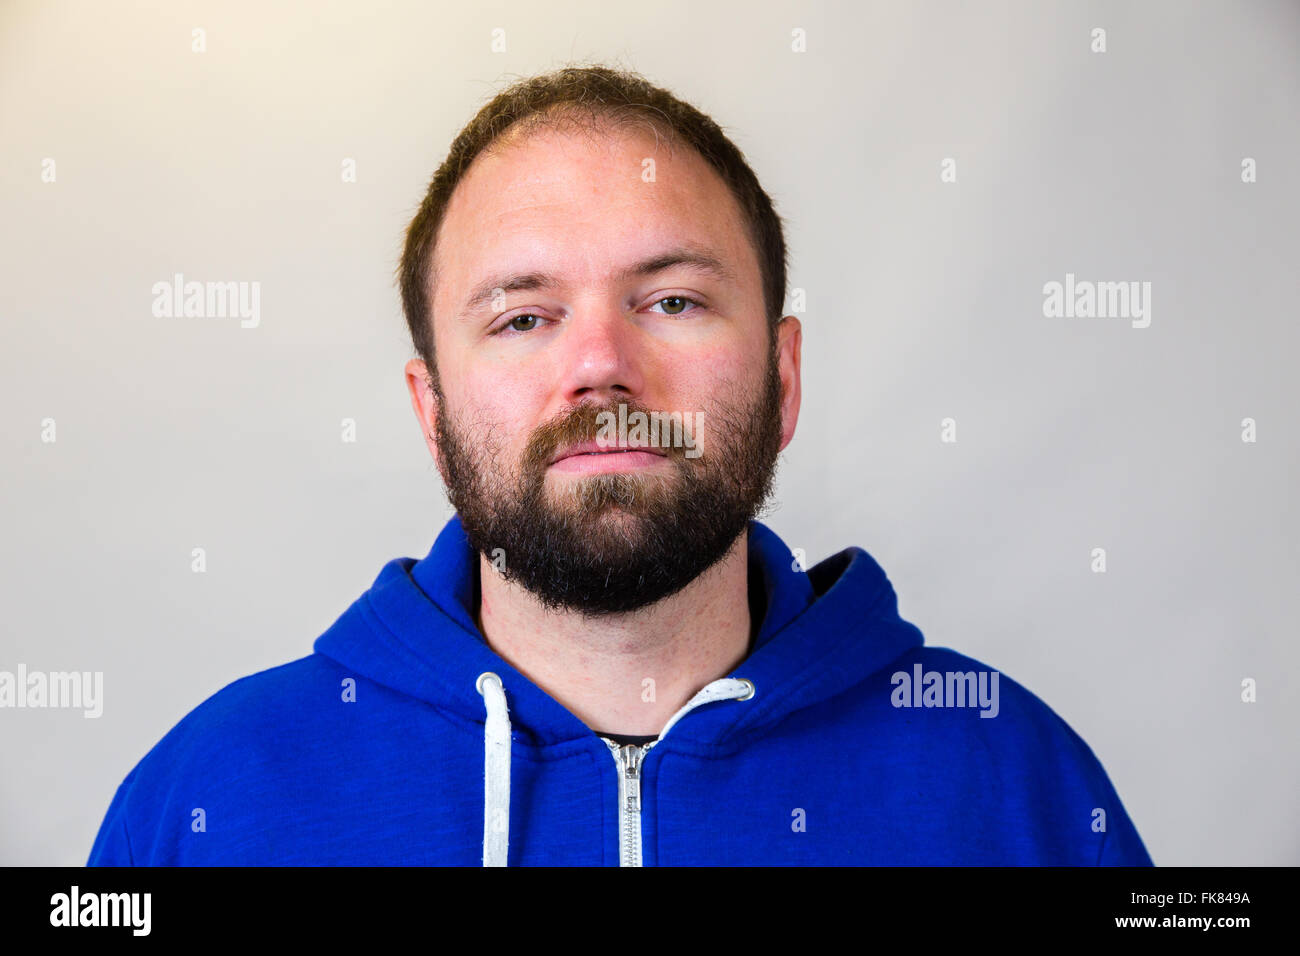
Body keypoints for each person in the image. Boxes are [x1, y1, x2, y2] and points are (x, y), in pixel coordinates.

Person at [88, 65, 1152, 866]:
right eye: (523, 317)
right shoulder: (209, 799)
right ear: (431, 408)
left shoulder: (1016, 786)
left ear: (784, 378)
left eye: (672, 301)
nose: (599, 366)